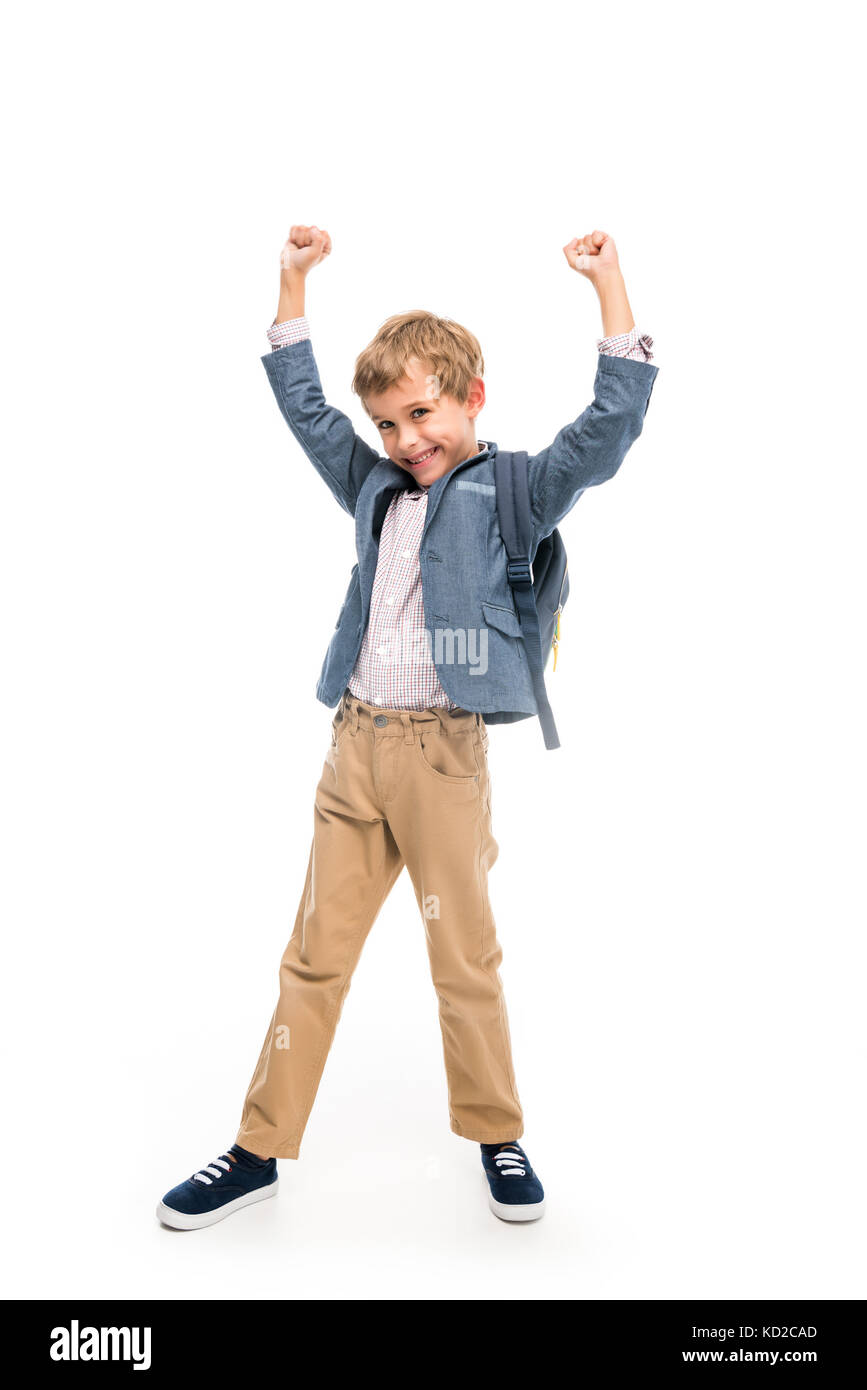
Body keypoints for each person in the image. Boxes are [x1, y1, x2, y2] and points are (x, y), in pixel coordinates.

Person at [156, 224, 659, 1230]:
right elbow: (305, 411)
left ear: (473, 400)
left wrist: (609, 287)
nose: (404, 440)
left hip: (443, 759)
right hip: (355, 750)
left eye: (420, 414)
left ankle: (496, 1131)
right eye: (387, 422)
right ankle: (258, 1148)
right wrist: (293, 281)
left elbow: (607, 427)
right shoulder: (373, 485)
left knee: (462, 957)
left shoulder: (515, 491)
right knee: (313, 957)